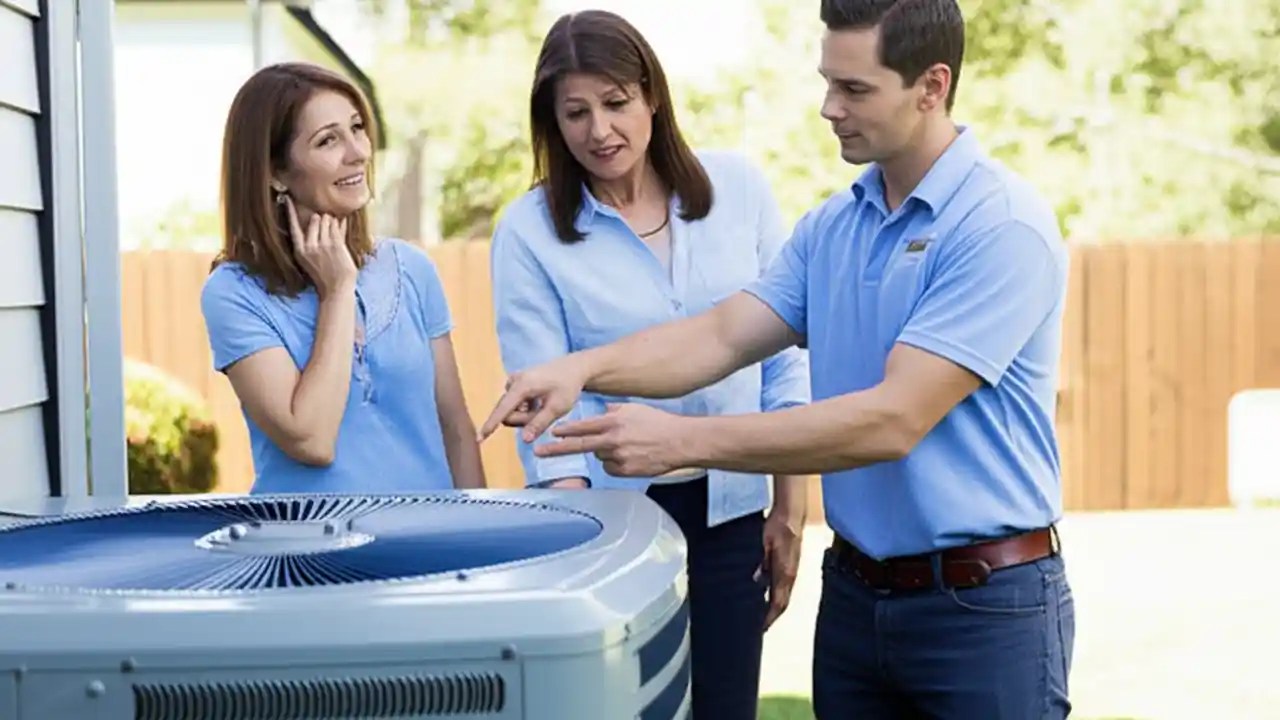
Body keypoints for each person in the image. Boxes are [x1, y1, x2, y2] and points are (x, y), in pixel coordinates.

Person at [479, 1, 1074, 718]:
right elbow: (724, 335)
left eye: (854, 90)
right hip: (856, 603)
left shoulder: (999, 226)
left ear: (932, 85)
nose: (829, 108)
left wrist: (682, 442)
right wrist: (579, 369)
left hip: (981, 612)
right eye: (829, 82)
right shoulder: (836, 225)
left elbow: (892, 420)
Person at [489, 10, 810, 719]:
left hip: (733, 514)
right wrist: (589, 553)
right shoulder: (528, 233)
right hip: (616, 522)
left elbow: (782, 357)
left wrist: (789, 506)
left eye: (615, 103)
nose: (599, 130)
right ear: (552, 122)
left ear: (651, 96)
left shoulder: (740, 191)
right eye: (575, 112)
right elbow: (547, 413)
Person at [201, 62, 485, 494]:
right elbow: (311, 439)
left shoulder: (411, 270)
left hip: (429, 547)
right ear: (276, 172)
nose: (358, 152)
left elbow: (456, 431)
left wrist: (480, 542)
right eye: (328, 140)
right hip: (312, 551)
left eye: (357, 128)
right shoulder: (234, 293)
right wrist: (337, 291)